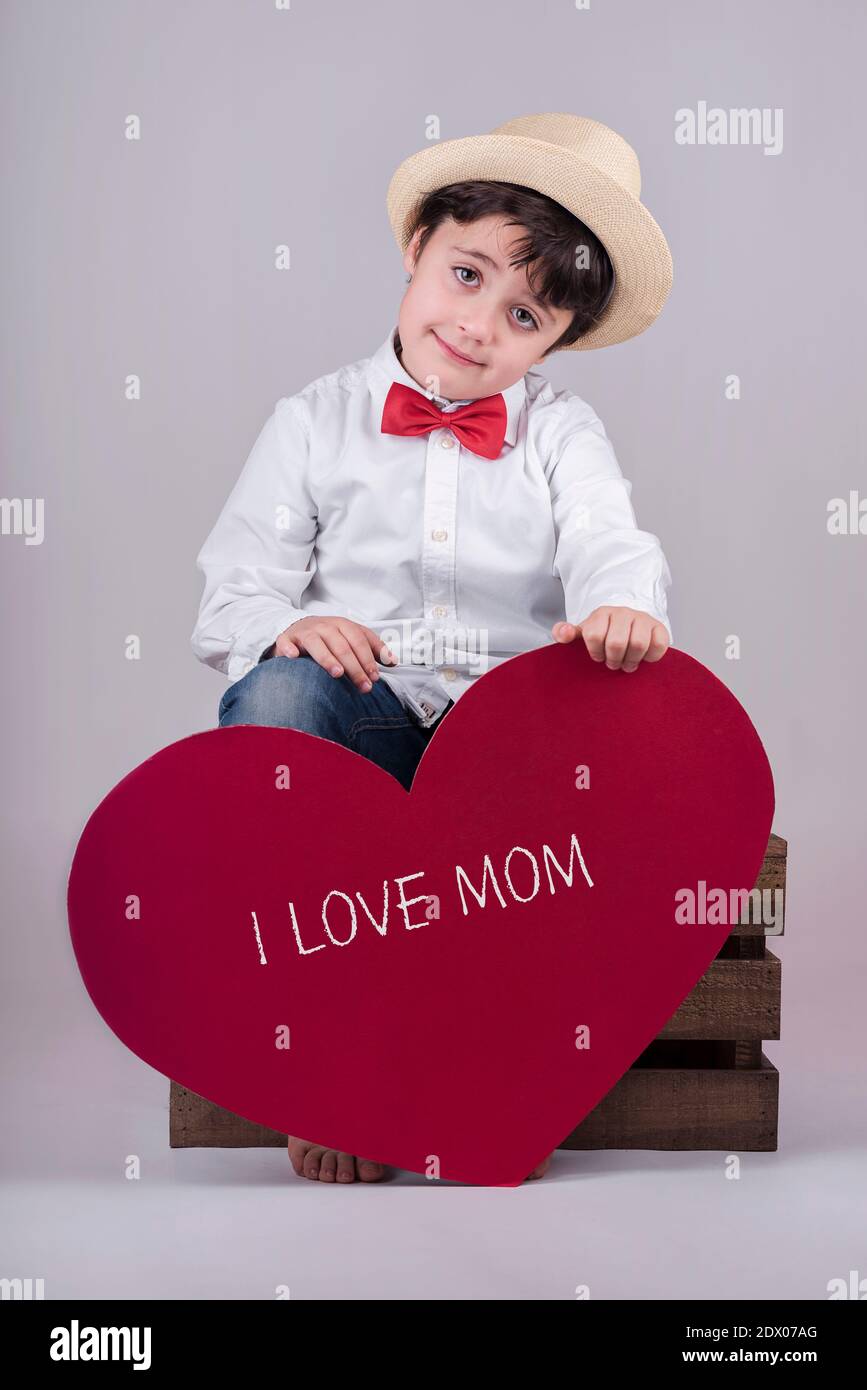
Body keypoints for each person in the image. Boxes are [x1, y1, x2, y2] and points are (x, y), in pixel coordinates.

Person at [190, 113, 675, 1184]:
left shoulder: (559, 434)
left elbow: (610, 541)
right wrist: (287, 624)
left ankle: (491, 1073)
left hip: (505, 743)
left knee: (601, 745)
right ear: (416, 248)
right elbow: (235, 585)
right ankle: (328, 1066)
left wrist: (620, 609)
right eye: (465, 275)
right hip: (359, 722)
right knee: (275, 699)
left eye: (524, 314)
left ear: (554, 343)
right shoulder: (314, 420)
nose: (478, 326)